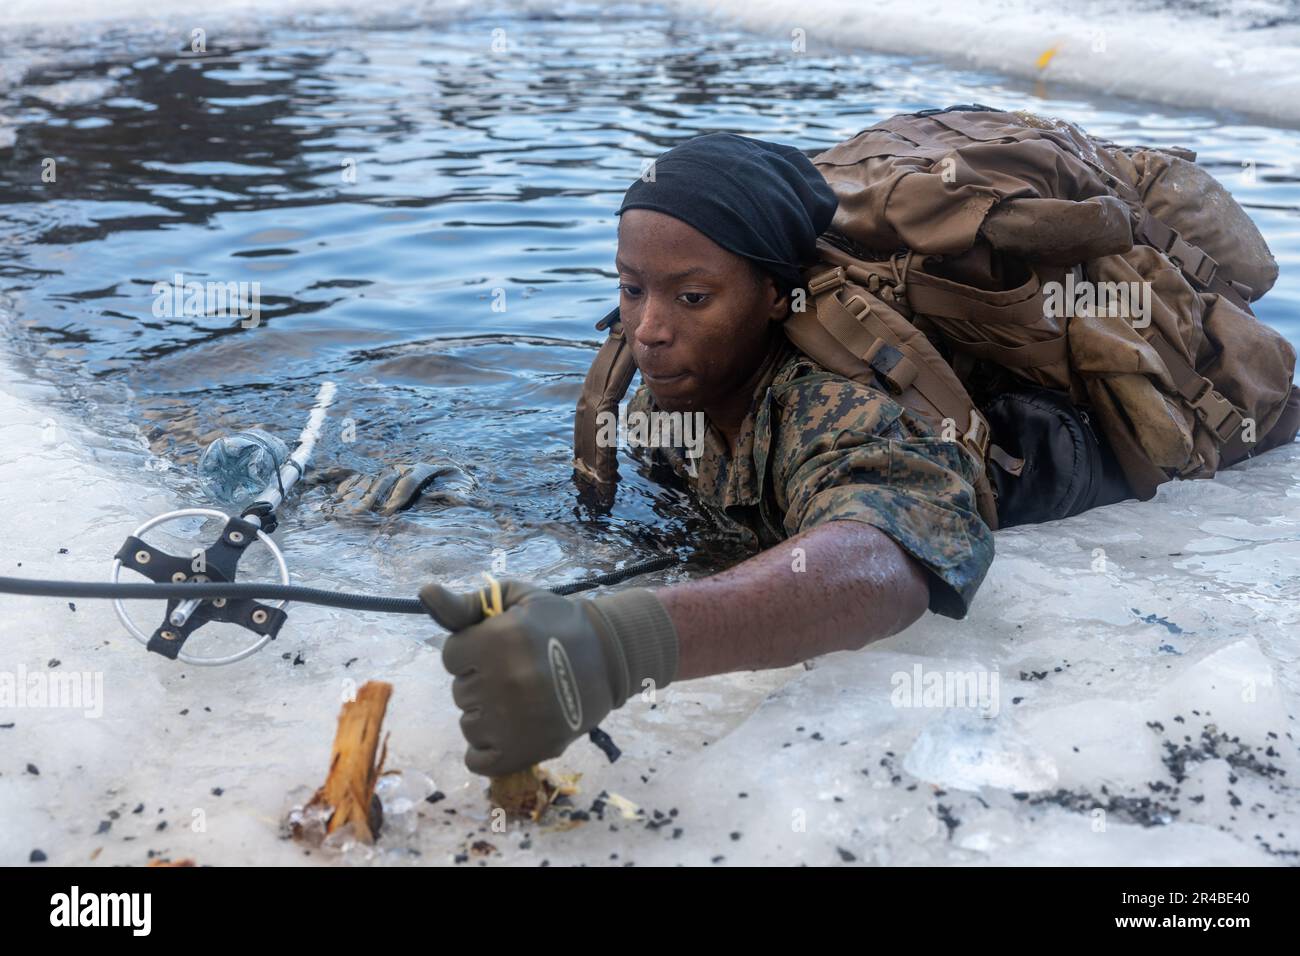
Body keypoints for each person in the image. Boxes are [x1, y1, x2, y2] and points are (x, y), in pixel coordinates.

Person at [418, 133, 996, 777]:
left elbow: (886, 558)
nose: (647, 331)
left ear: (777, 295)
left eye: (692, 298)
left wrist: (619, 645)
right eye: (632, 289)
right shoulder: (660, 409)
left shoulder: (831, 412)